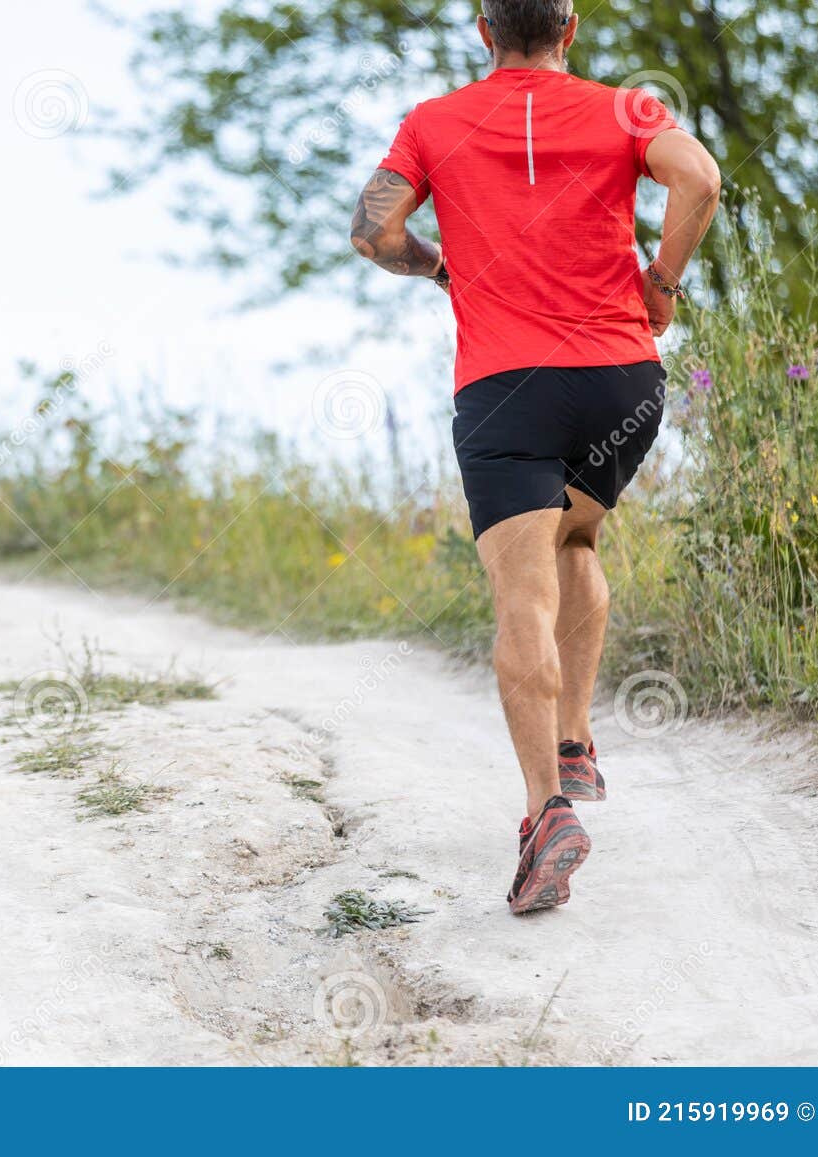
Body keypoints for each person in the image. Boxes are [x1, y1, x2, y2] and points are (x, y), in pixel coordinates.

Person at [349, 0, 720, 914]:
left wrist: (442, 267)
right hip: (620, 380)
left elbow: (372, 232)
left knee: (523, 594)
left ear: (484, 31)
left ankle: (545, 811)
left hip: (506, 386)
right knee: (578, 542)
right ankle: (578, 739)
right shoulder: (627, 109)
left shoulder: (432, 124)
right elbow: (701, 181)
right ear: (572, 28)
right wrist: (661, 285)